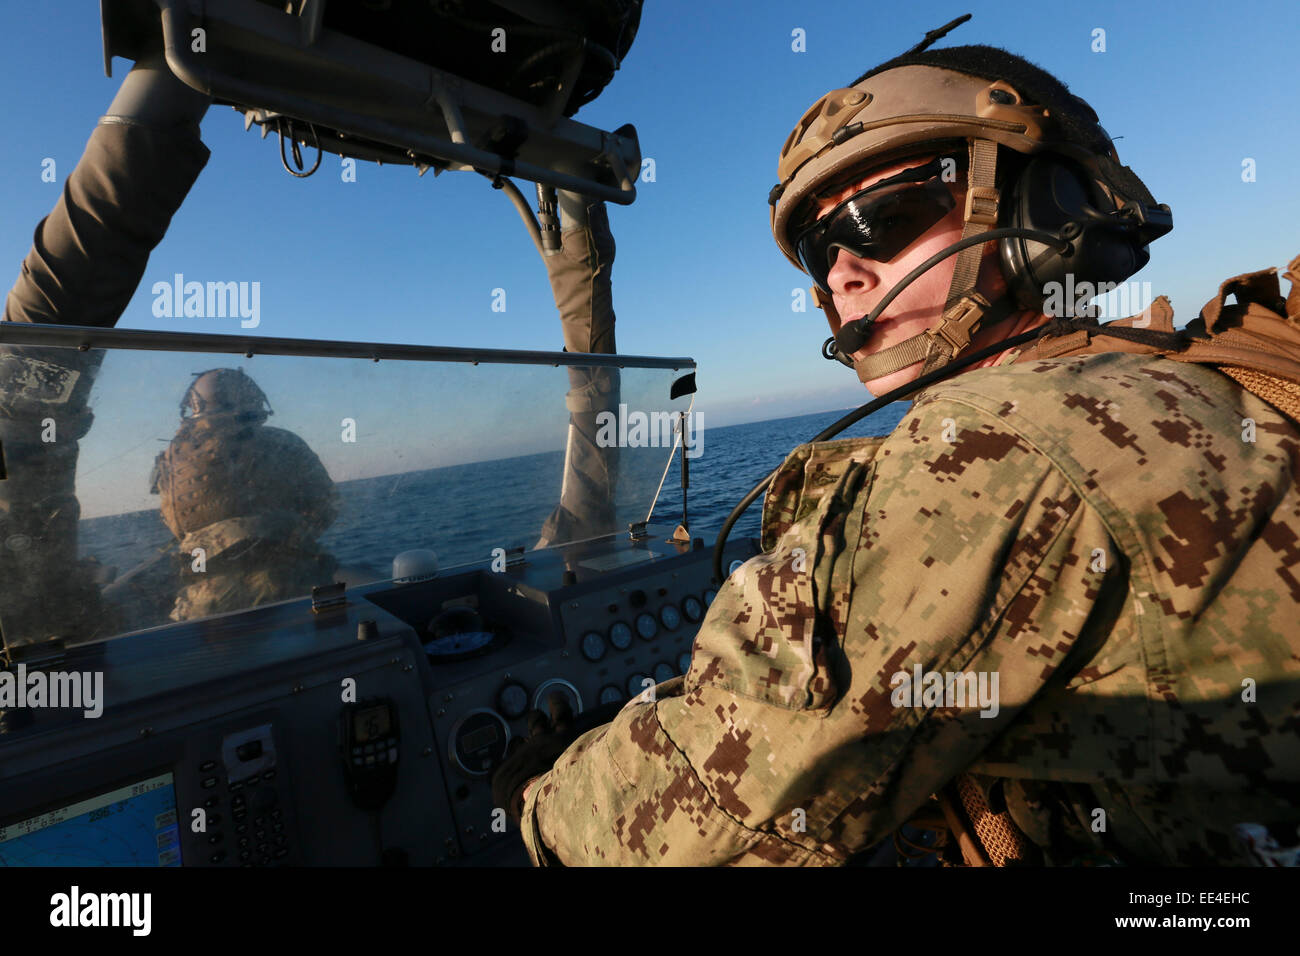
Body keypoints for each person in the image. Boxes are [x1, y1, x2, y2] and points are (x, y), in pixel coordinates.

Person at [493, 39, 1300, 866]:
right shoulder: (1172, 375)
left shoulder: (1000, 447)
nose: (842, 274)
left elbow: (692, 826)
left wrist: (534, 795)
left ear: (1045, 212)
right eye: (821, 250)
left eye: (885, 220)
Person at [149, 368, 339, 621]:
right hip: (293, 586)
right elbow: (327, 505)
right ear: (250, 398)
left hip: (206, 601)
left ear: (194, 405)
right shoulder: (283, 442)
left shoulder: (170, 458)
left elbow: (177, 526)